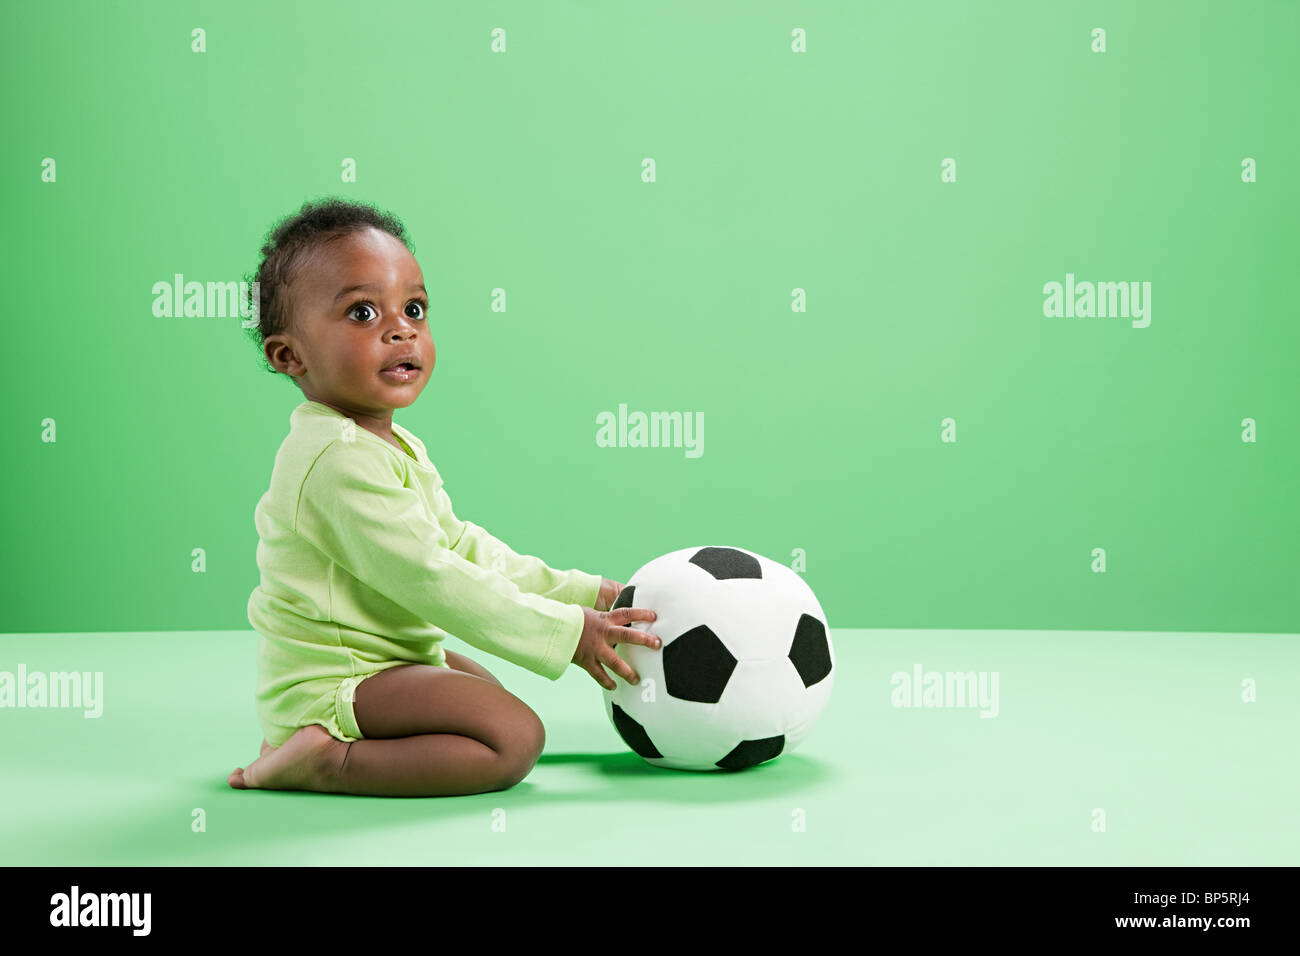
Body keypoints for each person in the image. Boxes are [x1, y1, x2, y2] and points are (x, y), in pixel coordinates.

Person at [228, 198, 661, 797]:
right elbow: (431, 577)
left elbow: (460, 548)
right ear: (289, 355)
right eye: (361, 312)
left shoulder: (387, 443)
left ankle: (329, 744)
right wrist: (566, 632)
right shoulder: (335, 462)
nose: (401, 329)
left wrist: (584, 593)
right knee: (513, 739)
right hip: (336, 678)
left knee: (488, 700)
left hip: (384, 660)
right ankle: (323, 760)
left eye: (414, 308)